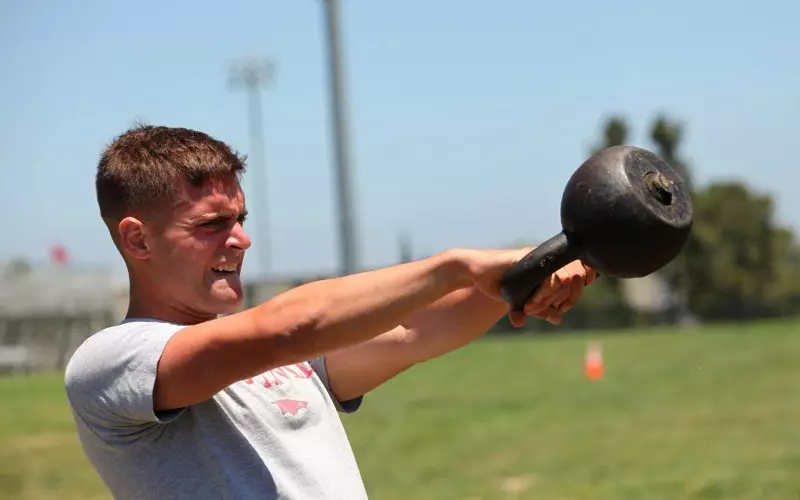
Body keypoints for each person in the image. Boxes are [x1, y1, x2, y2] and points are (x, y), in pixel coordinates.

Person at [64, 124, 597, 500]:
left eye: (241, 219)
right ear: (137, 240)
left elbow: (413, 330)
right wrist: (455, 265)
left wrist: (544, 265)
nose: (241, 240)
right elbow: (286, 328)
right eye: (212, 225)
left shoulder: (274, 359)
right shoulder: (111, 362)